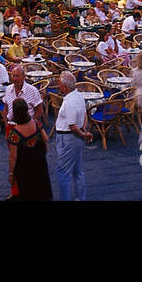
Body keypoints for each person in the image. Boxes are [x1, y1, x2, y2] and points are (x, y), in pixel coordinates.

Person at [54, 72, 93, 200]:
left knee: (63, 173)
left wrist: (83, 134)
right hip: (75, 139)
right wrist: (85, 130)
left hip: (67, 138)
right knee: (78, 171)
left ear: (65, 87)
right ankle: (81, 198)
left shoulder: (69, 102)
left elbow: (72, 125)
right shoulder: (79, 97)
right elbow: (85, 115)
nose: (58, 86)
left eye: (59, 84)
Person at [5, 97, 52, 200]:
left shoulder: (15, 133)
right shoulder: (37, 124)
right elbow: (46, 139)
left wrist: (11, 173)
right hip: (39, 164)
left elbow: (13, 156)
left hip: (24, 168)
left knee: (27, 192)